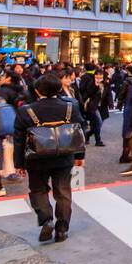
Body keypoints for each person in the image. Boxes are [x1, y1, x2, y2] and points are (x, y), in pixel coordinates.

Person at [14, 74, 85, 243]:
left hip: (36, 157)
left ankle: (46, 219)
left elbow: (19, 139)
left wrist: (19, 163)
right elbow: (79, 132)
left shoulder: (26, 110)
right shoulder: (70, 107)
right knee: (63, 191)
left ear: (37, 91)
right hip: (64, 155)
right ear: (60, 89)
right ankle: (62, 229)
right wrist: (80, 155)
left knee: (38, 190)